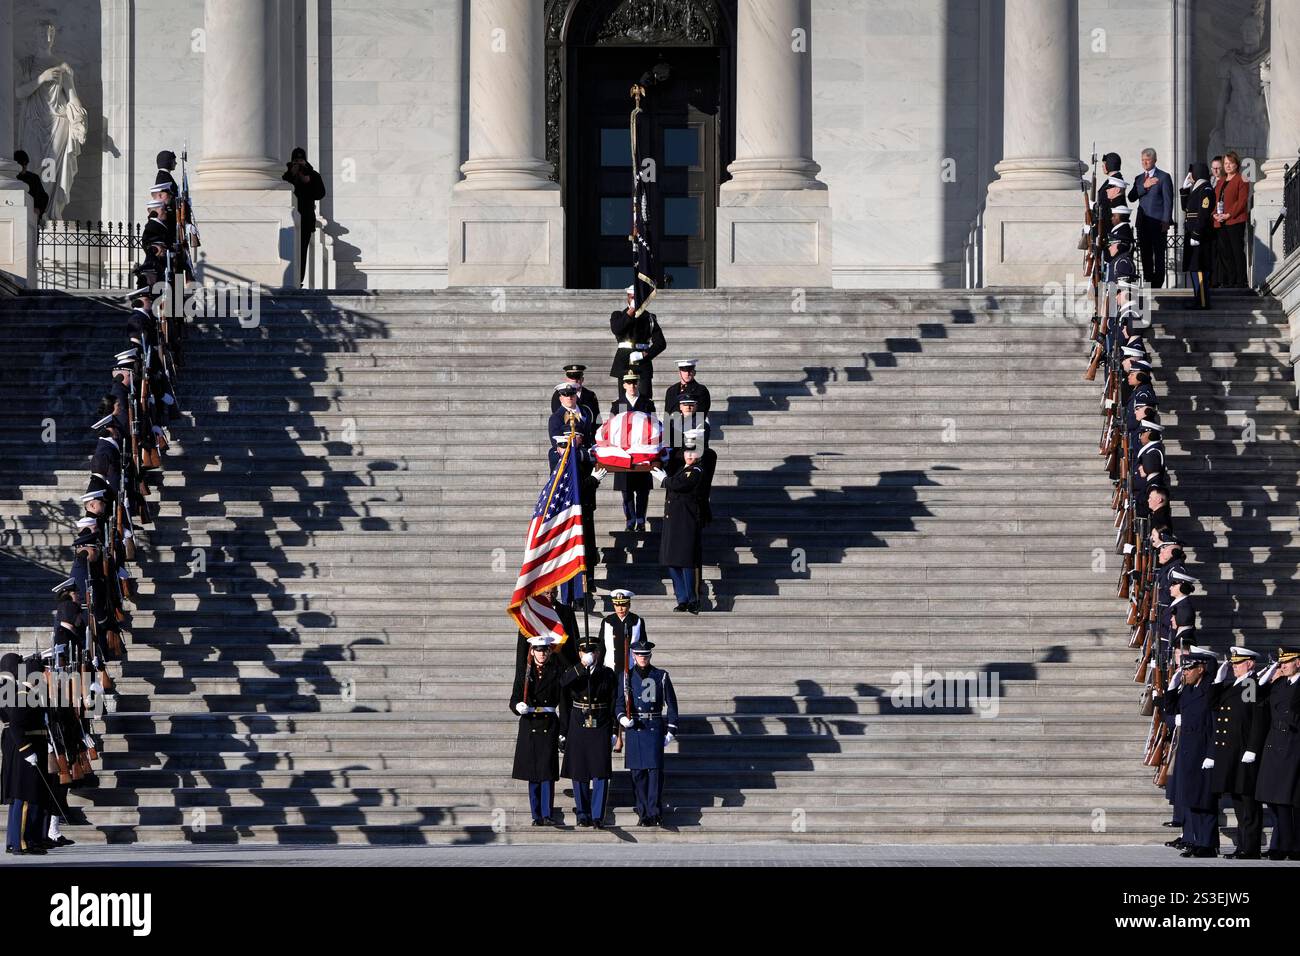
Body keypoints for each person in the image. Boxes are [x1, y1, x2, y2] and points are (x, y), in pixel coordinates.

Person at [1157, 648, 1220, 857]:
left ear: (1201, 669)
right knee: (1190, 799)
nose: (1185, 673)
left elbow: (1215, 726)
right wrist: (1173, 687)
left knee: (1204, 800)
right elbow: (1171, 708)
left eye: (1188, 669)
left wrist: (1212, 754)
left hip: (1202, 751)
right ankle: (1195, 839)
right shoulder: (1189, 689)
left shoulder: (1210, 690)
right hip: (1187, 751)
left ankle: (1208, 843)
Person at [614, 639, 679, 828]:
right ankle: (642, 812)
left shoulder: (660, 675)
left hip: (653, 726)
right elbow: (618, 702)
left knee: (655, 773)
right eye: (639, 654)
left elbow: (672, 705)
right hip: (635, 727)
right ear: (633, 656)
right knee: (637, 774)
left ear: (650, 655)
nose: (642, 657)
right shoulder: (625, 676)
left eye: (646, 654)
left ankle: (655, 812)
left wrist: (671, 730)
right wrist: (621, 717)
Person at [1211, 647, 1264, 859]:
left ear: (1250, 664)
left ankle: (1250, 848)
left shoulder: (1250, 684)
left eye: (1238, 663)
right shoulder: (1235, 684)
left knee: (1248, 802)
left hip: (1243, 750)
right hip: (1232, 752)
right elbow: (1213, 705)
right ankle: (1243, 846)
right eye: (1232, 664)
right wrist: (1217, 680)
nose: (1234, 667)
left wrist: (1252, 748)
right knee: (1238, 801)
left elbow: (1252, 718)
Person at [559, 636, 616, 828]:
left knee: (600, 771)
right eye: (585, 652)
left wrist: (615, 729)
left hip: (600, 721)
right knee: (579, 770)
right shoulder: (573, 672)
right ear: (579, 653)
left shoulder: (607, 673)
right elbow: (563, 687)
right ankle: (583, 813)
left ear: (598, 653)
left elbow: (613, 701)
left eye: (592, 652)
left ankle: (598, 814)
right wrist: (581, 667)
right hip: (578, 720)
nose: (589, 655)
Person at [509, 636, 564, 826]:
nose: (542, 654)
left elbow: (562, 699)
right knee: (533, 773)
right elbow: (513, 698)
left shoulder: (556, 671)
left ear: (550, 652)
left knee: (547, 772)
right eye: (538, 650)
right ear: (532, 651)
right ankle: (536, 815)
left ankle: (547, 813)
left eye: (545, 651)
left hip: (548, 724)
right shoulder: (525, 673)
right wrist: (518, 706)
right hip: (529, 723)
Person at [1255, 646, 1300, 860]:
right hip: (1274, 745)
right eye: (1280, 662)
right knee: (1272, 799)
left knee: (1285, 800)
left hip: (1293, 746)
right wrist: (1269, 673)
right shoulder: (1279, 683)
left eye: (1286, 662)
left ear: (1298, 662)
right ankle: (1284, 844)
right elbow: (1249, 695)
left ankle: (1290, 845)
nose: (1283, 666)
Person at [2, 653, 49, 855]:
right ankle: (20, 841)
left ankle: (27, 840)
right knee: (24, 797)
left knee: (30, 796)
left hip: (33, 745)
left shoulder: (29, 694)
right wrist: (27, 751)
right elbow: (16, 725)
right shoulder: (23, 695)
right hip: (24, 749)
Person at [653, 439, 705, 614]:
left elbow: (680, 485)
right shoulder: (682, 468)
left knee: (686, 561)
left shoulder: (696, 471)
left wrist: (665, 480)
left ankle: (692, 599)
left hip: (686, 522)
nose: (690, 455)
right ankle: (681, 598)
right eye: (687, 452)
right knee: (672, 561)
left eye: (693, 452)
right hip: (674, 521)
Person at [611, 371, 655, 531]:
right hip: (624, 453)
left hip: (643, 452)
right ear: (623, 385)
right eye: (629, 383)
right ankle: (630, 521)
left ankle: (641, 520)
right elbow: (612, 428)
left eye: (635, 383)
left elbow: (654, 426)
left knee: (643, 491)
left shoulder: (647, 403)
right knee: (627, 491)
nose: (632, 386)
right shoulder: (617, 404)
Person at [1127, 148, 1174, 289]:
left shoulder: (1164, 177)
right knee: (1145, 254)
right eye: (1142, 160)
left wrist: (1166, 220)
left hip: (1158, 222)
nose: (1144, 162)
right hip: (1143, 223)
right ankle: (1148, 281)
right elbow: (1131, 197)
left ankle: (1158, 283)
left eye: (1147, 160)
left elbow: (1168, 201)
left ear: (1154, 160)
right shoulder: (1139, 179)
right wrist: (1144, 186)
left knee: (1159, 254)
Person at [609, 285, 666, 397]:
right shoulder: (618, 315)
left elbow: (660, 343)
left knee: (645, 399)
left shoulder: (649, 318)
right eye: (632, 297)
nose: (634, 300)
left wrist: (644, 354)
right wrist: (631, 311)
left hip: (642, 362)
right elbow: (617, 329)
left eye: (637, 298)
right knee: (624, 401)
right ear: (627, 298)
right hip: (624, 361)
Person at [283, 147, 327, 285]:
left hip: (306, 220)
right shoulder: (285, 175)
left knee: (302, 252)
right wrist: (292, 175)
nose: (299, 163)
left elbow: (320, 194)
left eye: (301, 160)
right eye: (296, 160)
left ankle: (299, 280)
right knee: (288, 251)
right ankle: (290, 279)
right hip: (288, 220)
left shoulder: (313, 175)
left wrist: (307, 180)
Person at [1180, 163, 1215, 309]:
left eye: (1191, 174)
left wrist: (1196, 234)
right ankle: (1197, 298)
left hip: (1199, 235)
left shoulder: (1205, 189)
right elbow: (1186, 208)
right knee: (1194, 267)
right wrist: (1184, 190)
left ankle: (1202, 302)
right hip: (1193, 234)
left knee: (1199, 268)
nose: (1190, 177)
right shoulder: (1197, 189)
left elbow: (1204, 213)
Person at [1213, 150, 1249, 289]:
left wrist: (1229, 214)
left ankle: (1240, 281)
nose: (1228, 166)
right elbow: (1215, 200)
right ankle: (1229, 280)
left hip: (1235, 221)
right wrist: (1215, 214)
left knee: (1236, 250)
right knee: (1225, 251)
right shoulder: (1221, 181)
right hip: (1221, 221)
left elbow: (1242, 201)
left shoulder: (1242, 179)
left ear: (1236, 164)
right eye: (1225, 163)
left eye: (1231, 163)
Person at [600, 589, 647, 678]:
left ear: (629, 605)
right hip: (610, 669)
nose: (620, 609)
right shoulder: (607, 621)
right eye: (617, 605)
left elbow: (643, 647)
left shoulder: (637, 621)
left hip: (632, 668)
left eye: (623, 605)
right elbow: (601, 647)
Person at [13, 150, 49, 221]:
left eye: (25, 164)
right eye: (21, 164)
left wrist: (39, 209)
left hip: (31, 214)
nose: (24, 166)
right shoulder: (11, 177)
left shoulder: (33, 178)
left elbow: (44, 197)